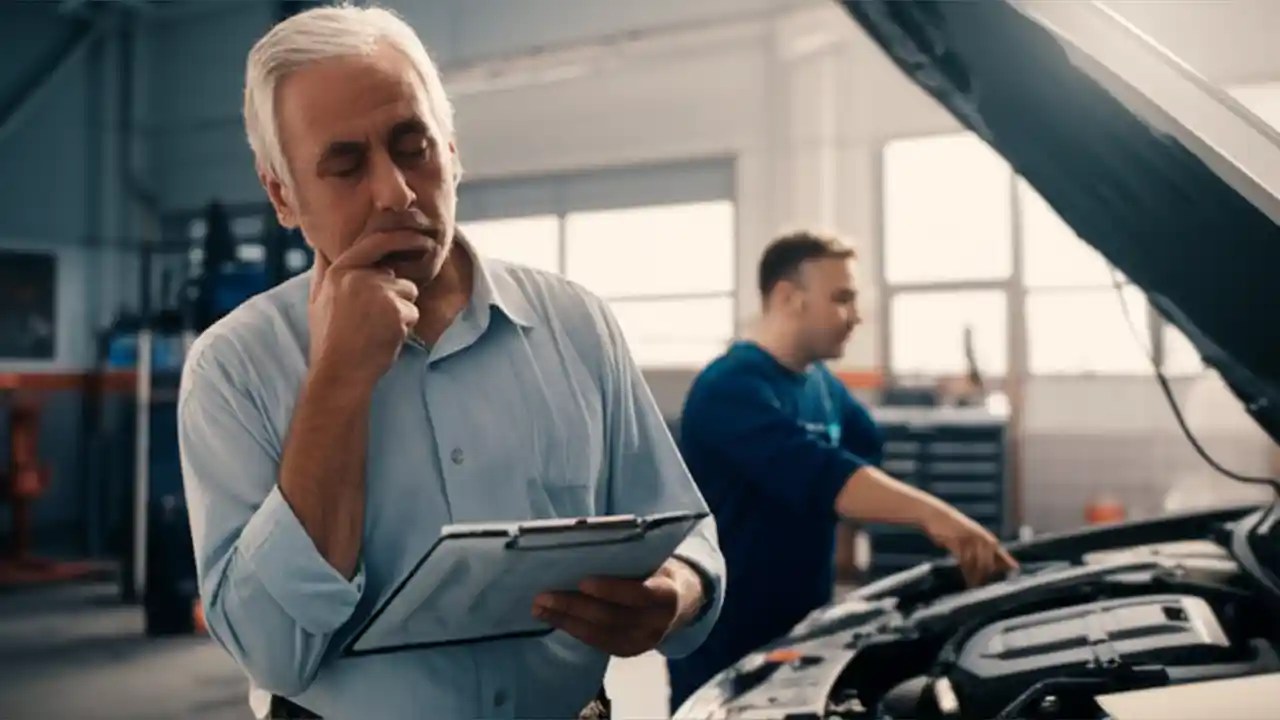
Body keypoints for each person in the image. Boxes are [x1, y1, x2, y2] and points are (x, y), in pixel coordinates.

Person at [176, 6, 724, 719]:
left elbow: (685, 532)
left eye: (415, 147)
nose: (396, 192)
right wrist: (339, 380)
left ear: (454, 152)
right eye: (346, 166)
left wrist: (677, 592)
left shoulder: (576, 325)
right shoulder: (234, 369)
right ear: (283, 196)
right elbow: (273, 650)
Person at [665, 231, 1017, 710]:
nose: (856, 316)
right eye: (842, 299)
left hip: (799, 633)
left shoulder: (821, 383)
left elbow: (864, 448)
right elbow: (825, 474)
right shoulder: (729, 388)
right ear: (789, 298)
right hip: (724, 646)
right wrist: (940, 519)